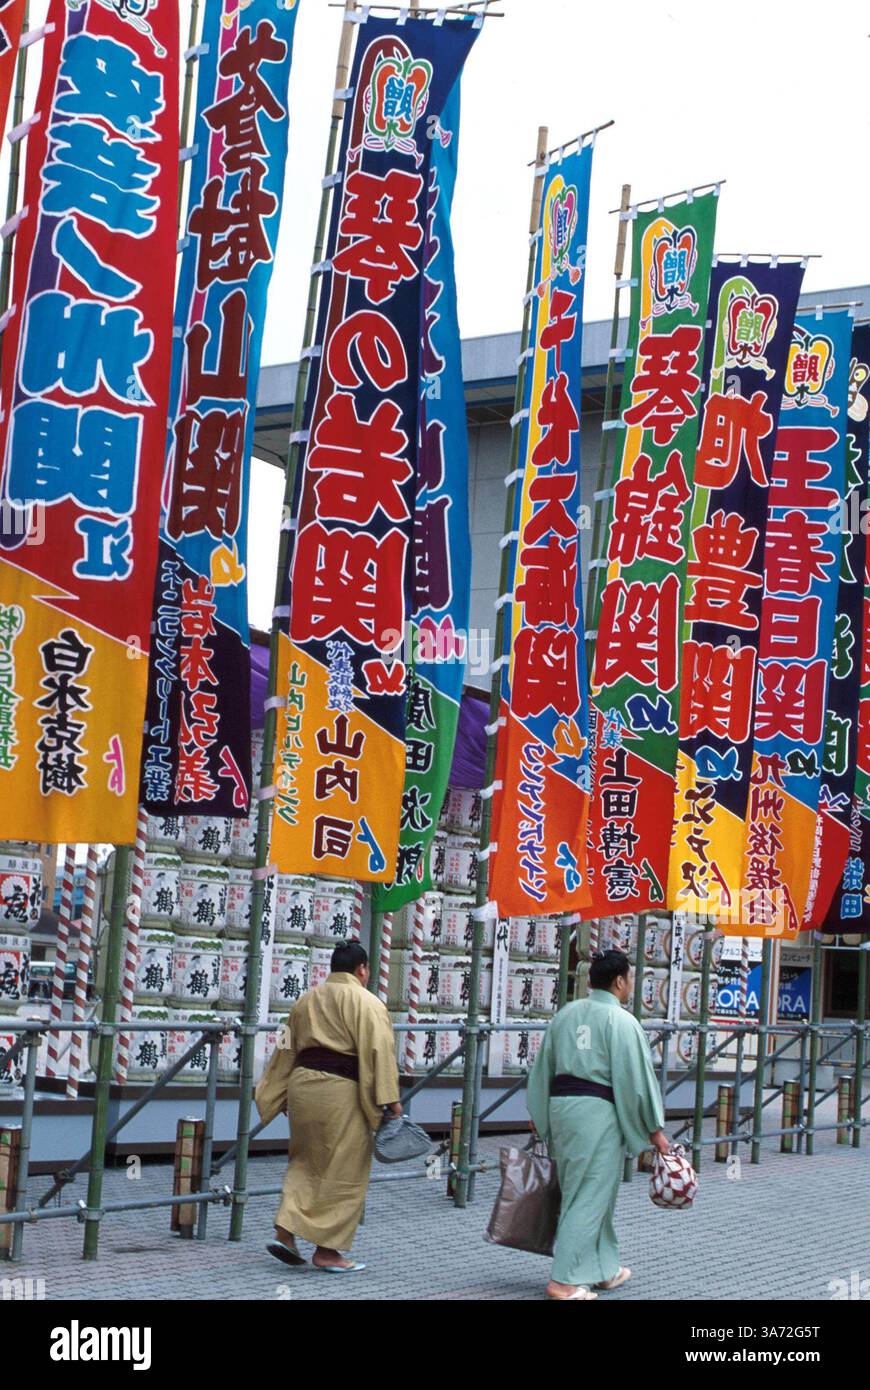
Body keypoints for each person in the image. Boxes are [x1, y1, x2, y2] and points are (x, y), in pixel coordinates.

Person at [526, 948, 670, 1301]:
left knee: (594, 1191)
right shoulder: (622, 1021)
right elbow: (637, 1079)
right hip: (597, 1113)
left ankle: (604, 1268)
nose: (631, 984)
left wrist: (538, 1113)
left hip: (562, 1109)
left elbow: (543, 1066)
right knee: (588, 1195)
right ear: (620, 981)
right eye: (631, 978)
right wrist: (655, 1130)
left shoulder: (566, 1014)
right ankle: (563, 1281)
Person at [255, 941, 402, 1274]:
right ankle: (328, 1250)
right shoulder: (368, 1003)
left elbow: (284, 1044)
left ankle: (285, 1233)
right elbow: (380, 1052)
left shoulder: (304, 1001)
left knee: (304, 1161)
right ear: (362, 969)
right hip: (342, 1092)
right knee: (343, 1169)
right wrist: (391, 1101)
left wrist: (277, 1091)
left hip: (303, 1087)